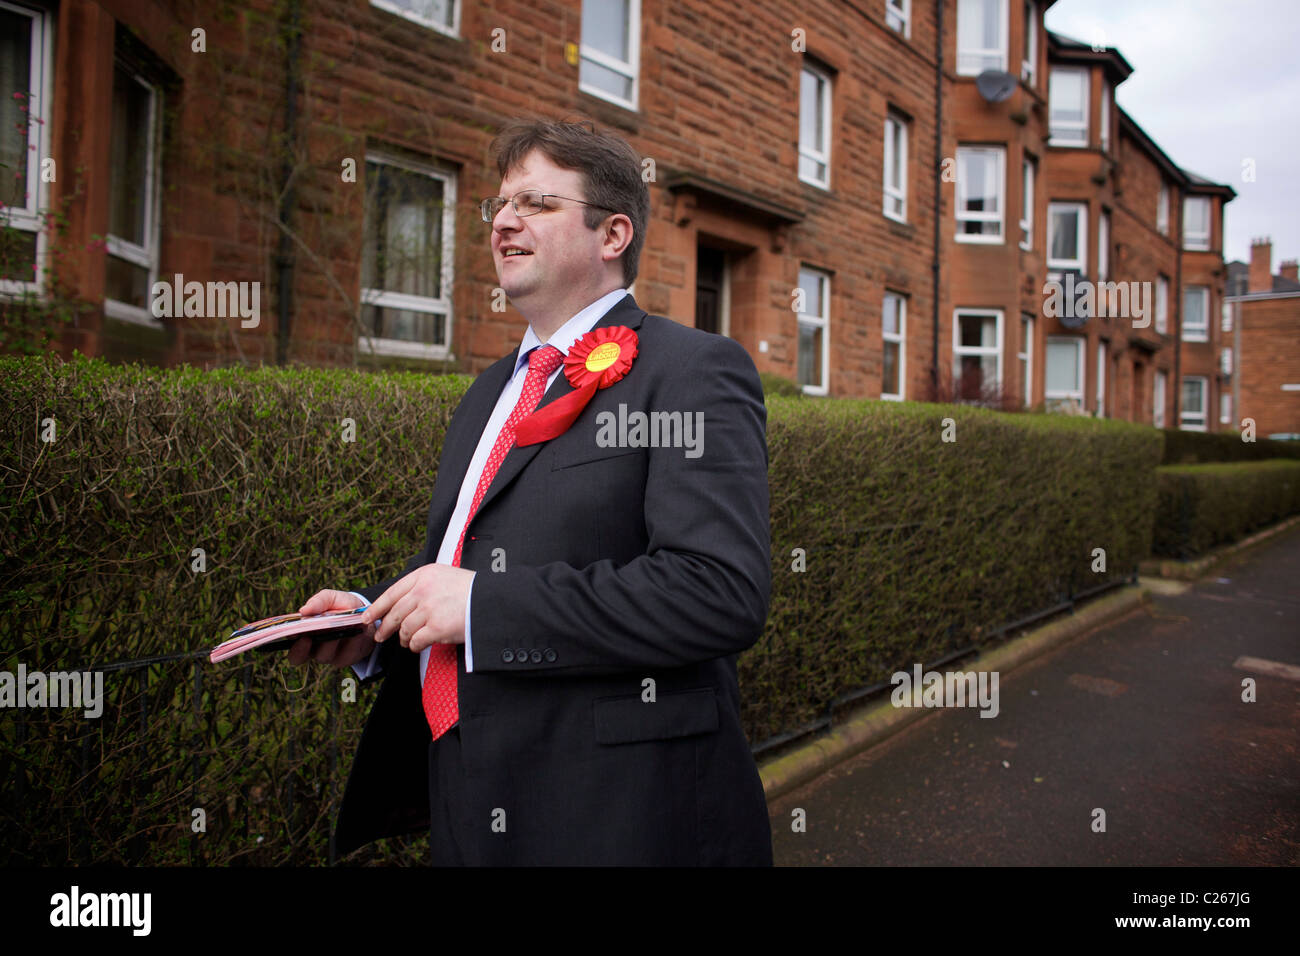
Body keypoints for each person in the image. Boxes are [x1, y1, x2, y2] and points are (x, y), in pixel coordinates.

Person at [291, 119, 773, 865]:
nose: (504, 220)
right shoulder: (487, 395)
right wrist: (376, 623)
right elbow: (470, 561)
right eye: (500, 204)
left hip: (619, 815)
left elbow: (716, 591)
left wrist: (483, 606)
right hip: (468, 799)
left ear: (612, 234)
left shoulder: (692, 372)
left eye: (537, 202)